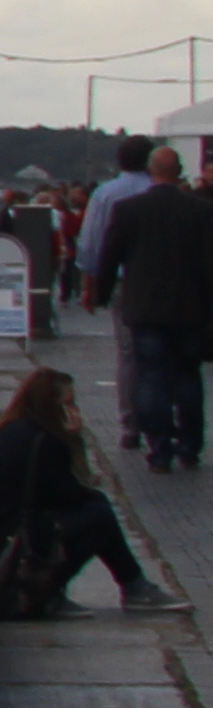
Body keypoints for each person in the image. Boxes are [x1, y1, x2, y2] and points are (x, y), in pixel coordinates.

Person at [0, 365, 161, 607]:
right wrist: (74, 439)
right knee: (99, 516)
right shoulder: (43, 442)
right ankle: (127, 585)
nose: (75, 410)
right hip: (0, 553)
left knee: (95, 508)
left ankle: (133, 584)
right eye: (69, 404)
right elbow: (71, 493)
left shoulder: (14, 430)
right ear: (52, 406)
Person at [104, 145, 213, 473]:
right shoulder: (201, 210)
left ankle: (159, 449)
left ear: (151, 171)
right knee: (188, 376)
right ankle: (190, 447)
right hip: (189, 308)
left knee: (151, 376)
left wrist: (100, 294)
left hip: (145, 307)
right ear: (179, 171)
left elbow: (111, 255)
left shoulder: (128, 209)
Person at [80, 136, 163, 308]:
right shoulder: (161, 191)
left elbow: (91, 242)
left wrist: (89, 285)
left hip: (119, 277)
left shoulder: (104, 193)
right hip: (160, 276)